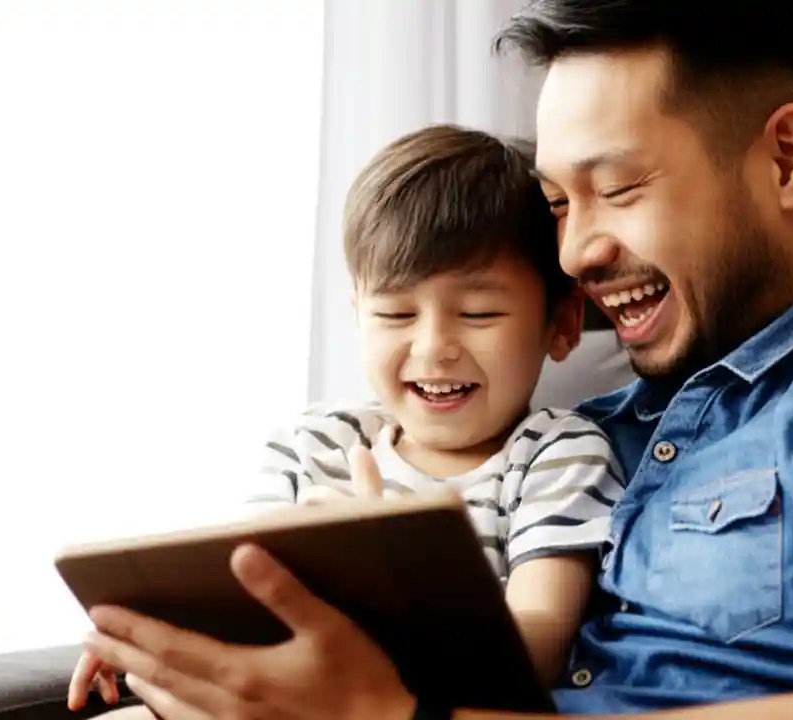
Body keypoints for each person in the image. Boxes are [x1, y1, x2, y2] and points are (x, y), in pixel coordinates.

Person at [82, 2, 793, 718]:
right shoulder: (568, 433)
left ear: (787, 159)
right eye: (558, 205)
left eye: (616, 189)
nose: (572, 255)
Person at [69, 125, 626, 713]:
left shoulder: (559, 456)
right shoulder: (313, 444)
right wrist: (156, 636)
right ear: (357, 311)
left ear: (561, 323)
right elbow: (244, 598)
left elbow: (533, 651)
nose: (434, 347)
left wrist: (402, 564)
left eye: (478, 313)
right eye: (395, 312)